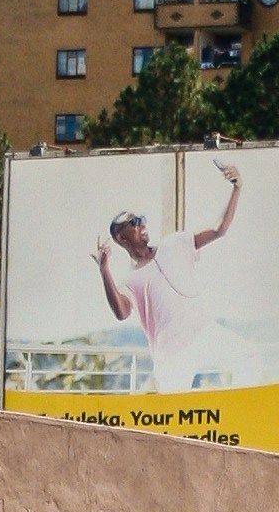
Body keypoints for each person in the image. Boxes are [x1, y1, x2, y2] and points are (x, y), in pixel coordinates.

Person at [93, 158, 242, 393]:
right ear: (121, 238)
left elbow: (219, 230)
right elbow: (121, 312)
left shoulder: (174, 244)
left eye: (141, 218)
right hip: (172, 354)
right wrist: (104, 271)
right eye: (134, 222)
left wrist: (237, 188)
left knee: (249, 356)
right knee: (174, 409)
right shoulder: (130, 280)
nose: (141, 223)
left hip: (203, 334)